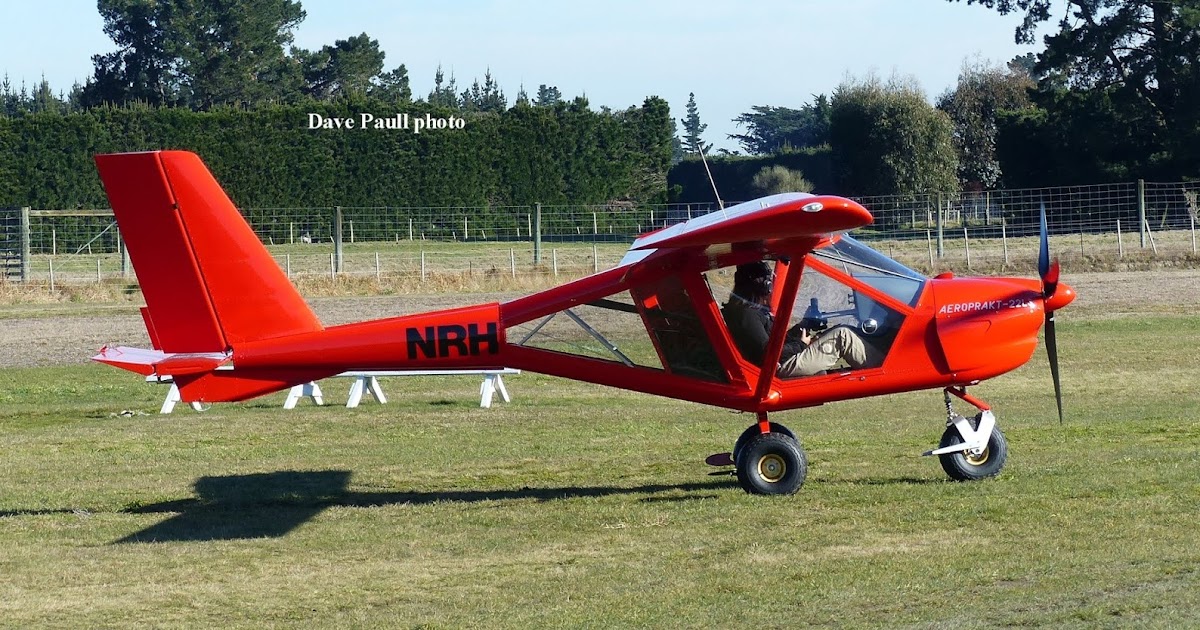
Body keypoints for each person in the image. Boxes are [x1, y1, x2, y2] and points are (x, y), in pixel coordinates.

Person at [721, 260, 877, 377]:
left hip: (781, 363)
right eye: (769, 281)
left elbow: (776, 343)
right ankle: (880, 368)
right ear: (765, 286)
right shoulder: (747, 314)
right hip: (777, 370)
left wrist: (804, 325)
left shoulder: (748, 311)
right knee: (842, 336)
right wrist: (801, 344)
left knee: (837, 330)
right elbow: (768, 354)